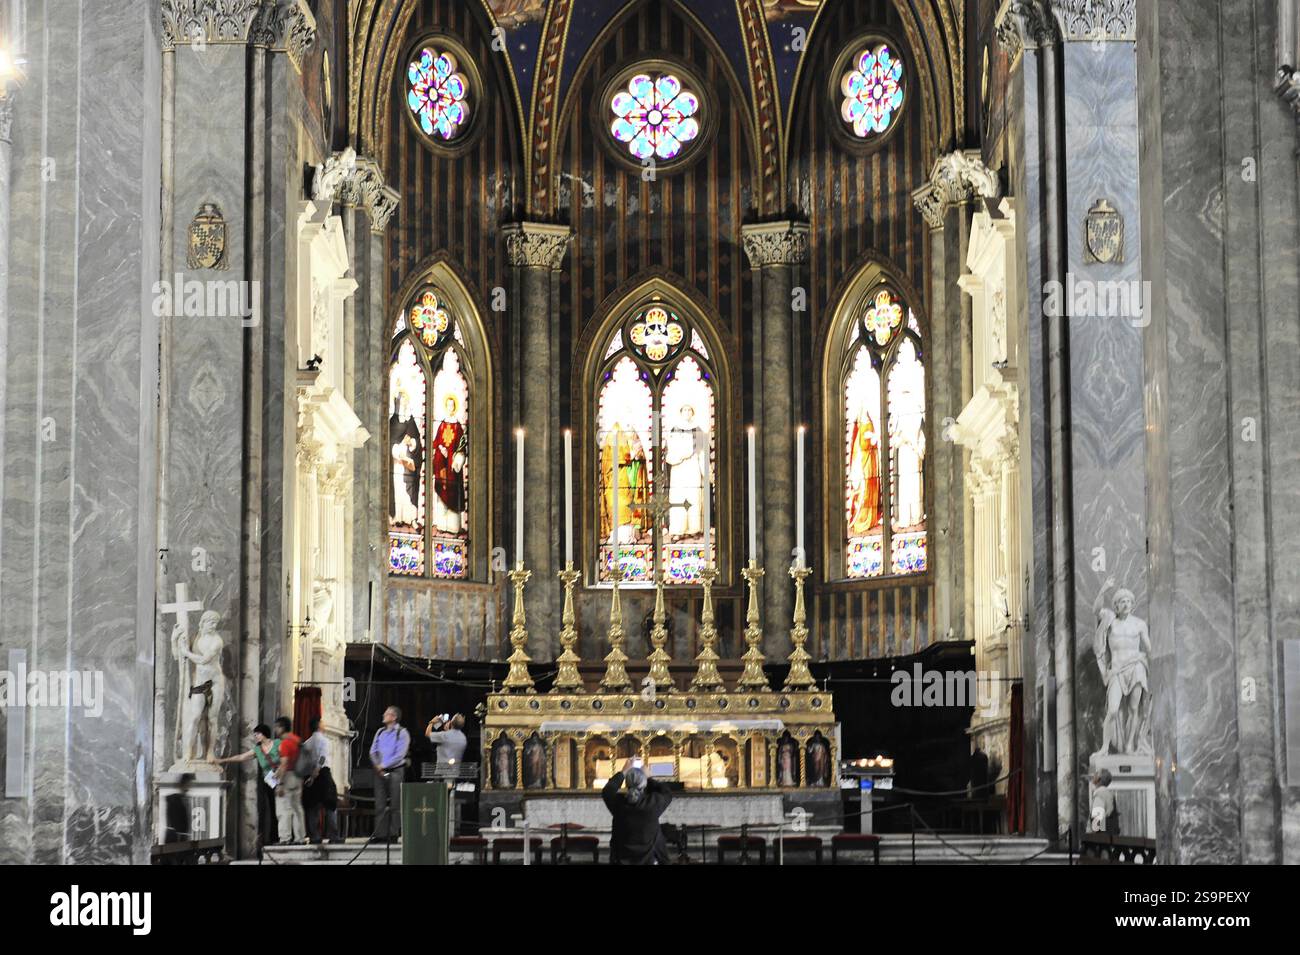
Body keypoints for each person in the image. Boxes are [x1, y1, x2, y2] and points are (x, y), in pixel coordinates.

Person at [215, 723, 280, 846]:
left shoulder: (277, 743)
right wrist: (222, 760)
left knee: (283, 809)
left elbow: (287, 756)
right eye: (254, 734)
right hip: (270, 782)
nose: (255, 736)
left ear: (264, 733)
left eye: (257, 734)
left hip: (282, 779)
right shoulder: (257, 749)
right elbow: (241, 757)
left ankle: (288, 836)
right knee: (273, 808)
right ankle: (274, 837)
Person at [602, 757, 673, 865]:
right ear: (644, 785)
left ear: (627, 784)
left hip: (622, 858)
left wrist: (623, 772)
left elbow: (607, 790)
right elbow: (667, 792)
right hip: (649, 859)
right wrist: (649, 777)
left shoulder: (618, 804)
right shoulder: (653, 803)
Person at [369, 705, 411, 842]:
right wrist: (377, 766)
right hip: (379, 772)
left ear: (394, 717)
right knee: (379, 804)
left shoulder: (402, 733)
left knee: (395, 804)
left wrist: (384, 765)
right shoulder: (380, 732)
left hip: (395, 771)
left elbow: (400, 755)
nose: (383, 715)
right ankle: (380, 834)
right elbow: (372, 751)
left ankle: (393, 834)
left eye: (386, 714)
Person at [301, 717, 341, 844]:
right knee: (331, 804)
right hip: (322, 773)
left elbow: (304, 762)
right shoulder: (324, 740)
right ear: (319, 726)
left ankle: (315, 836)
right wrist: (316, 772)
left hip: (309, 775)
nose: (324, 724)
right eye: (323, 723)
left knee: (312, 806)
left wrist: (309, 776)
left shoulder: (306, 743)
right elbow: (323, 757)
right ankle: (333, 836)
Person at [272, 716, 307, 844]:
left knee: (283, 808)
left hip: (287, 777)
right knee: (297, 808)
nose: (275, 729)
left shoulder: (285, 743)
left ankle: (285, 838)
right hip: (298, 777)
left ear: (281, 727)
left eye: (276, 727)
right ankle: (300, 838)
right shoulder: (298, 740)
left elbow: (284, 764)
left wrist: (280, 784)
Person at [1090, 769, 1121, 834]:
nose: (1093, 777)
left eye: (1095, 775)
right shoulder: (1108, 793)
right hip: (1109, 835)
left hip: (1102, 836)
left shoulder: (1100, 793)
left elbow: (1096, 823)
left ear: (1098, 779)